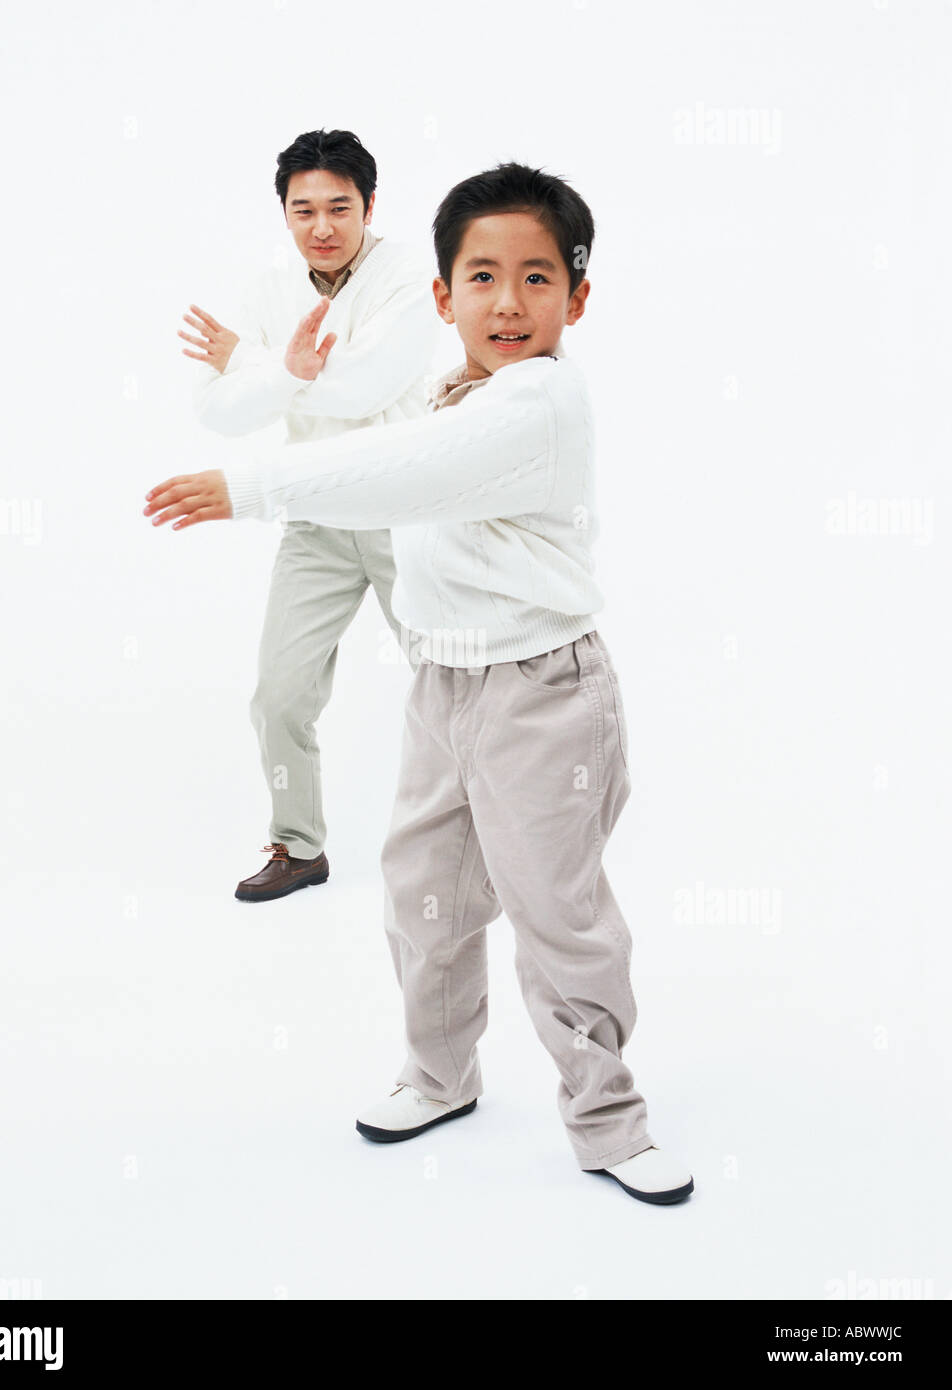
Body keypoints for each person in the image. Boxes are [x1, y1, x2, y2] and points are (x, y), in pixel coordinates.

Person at [145, 162, 693, 1204]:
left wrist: (252, 485)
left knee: (555, 914)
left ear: (577, 298)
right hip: (444, 688)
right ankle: (440, 1074)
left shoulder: (538, 398)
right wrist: (271, 376)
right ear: (441, 296)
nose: (507, 301)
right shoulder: (458, 386)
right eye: (480, 276)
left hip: (541, 696)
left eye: (537, 278)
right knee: (424, 896)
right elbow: (399, 442)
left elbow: (405, 471)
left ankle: (607, 1116)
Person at [179, 128, 439, 903]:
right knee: (280, 694)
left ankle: (486, 836)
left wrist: (259, 368)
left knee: (450, 684)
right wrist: (281, 373)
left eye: (339, 207)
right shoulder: (268, 289)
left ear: (368, 205)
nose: (321, 227)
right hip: (316, 518)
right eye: (303, 211)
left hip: (405, 510)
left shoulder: (405, 280)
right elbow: (220, 415)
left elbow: (364, 389)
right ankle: (299, 847)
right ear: (284, 214)